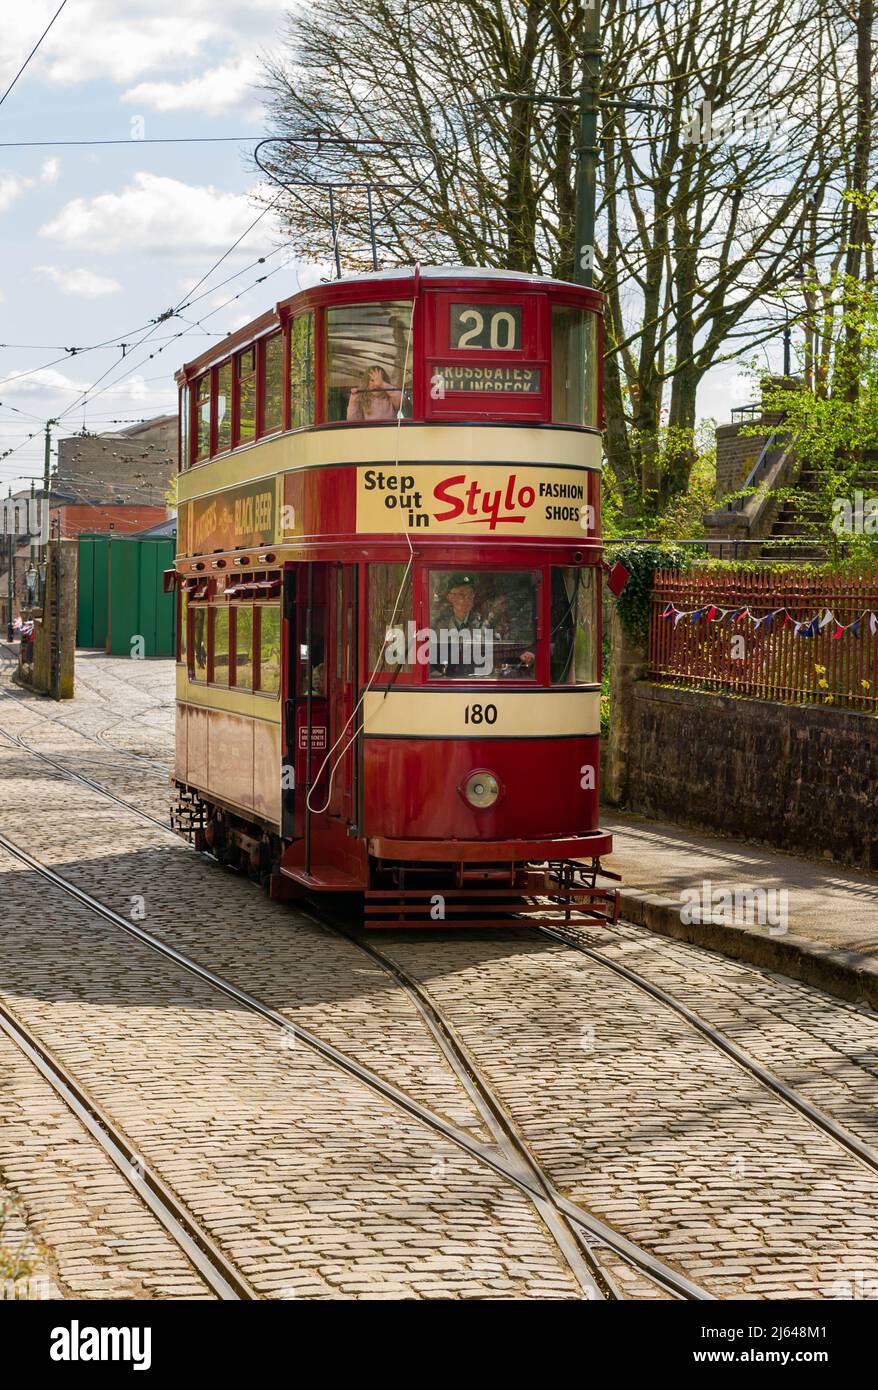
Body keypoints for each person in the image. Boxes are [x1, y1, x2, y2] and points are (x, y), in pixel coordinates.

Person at [431, 572, 535, 678]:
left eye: (470, 594)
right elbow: (429, 661)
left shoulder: (484, 625)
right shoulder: (438, 627)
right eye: (461, 594)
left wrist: (523, 657)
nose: (466, 599)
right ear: (450, 597)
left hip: (479, 683)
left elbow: (501, 652)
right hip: (447, 685)